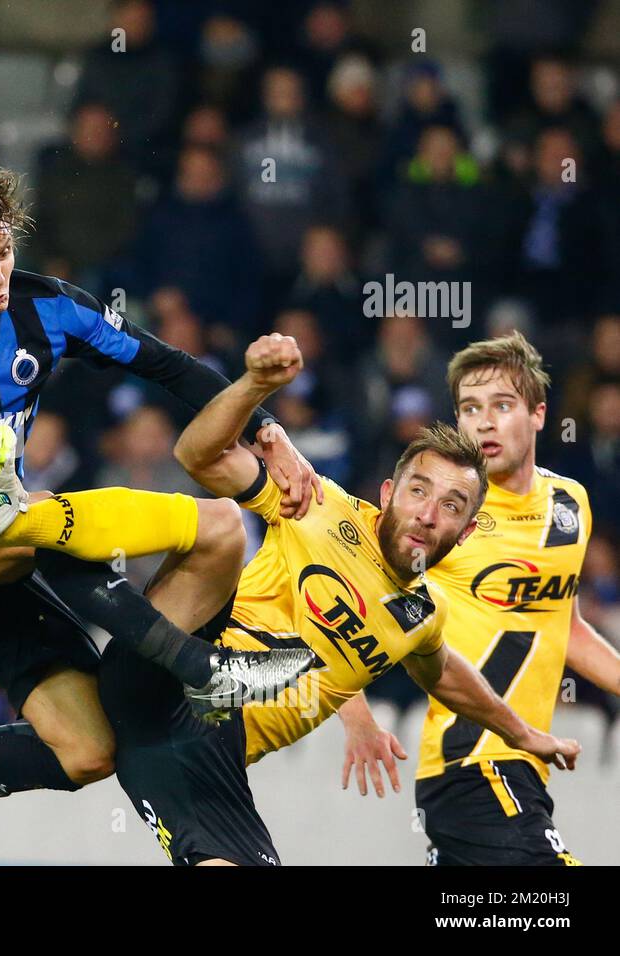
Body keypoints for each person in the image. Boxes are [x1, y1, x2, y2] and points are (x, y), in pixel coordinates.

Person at [0, 145, 319, 865]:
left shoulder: (50, 308)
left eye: (2, 253)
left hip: (5, 550)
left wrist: (268, 431)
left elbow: (166, 365)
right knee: (18, 514)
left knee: (86, 749)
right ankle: (203, 671)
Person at [99, 333, 579, 865]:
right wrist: (256, 395)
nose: (427, 514)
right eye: (419, 491)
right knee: (220, 524)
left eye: (451, 505)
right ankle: (33, 526)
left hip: (211, 753)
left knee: (65, 755)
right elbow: (196, 454)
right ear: (388, 494)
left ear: (466, 532)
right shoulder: (317, 504)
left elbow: (440, 672)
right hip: (186, 695)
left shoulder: (422, 614)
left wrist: (524, 733)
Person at [340, 332, 619, 865]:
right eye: (470, 408)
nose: (484, 422)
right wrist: (355, 715)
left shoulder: (570, 503)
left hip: (522, 767)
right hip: (472, 761)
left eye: (502, 405)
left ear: (539, 414)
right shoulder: (445, 517)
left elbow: (562, 626)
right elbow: (341, 600)